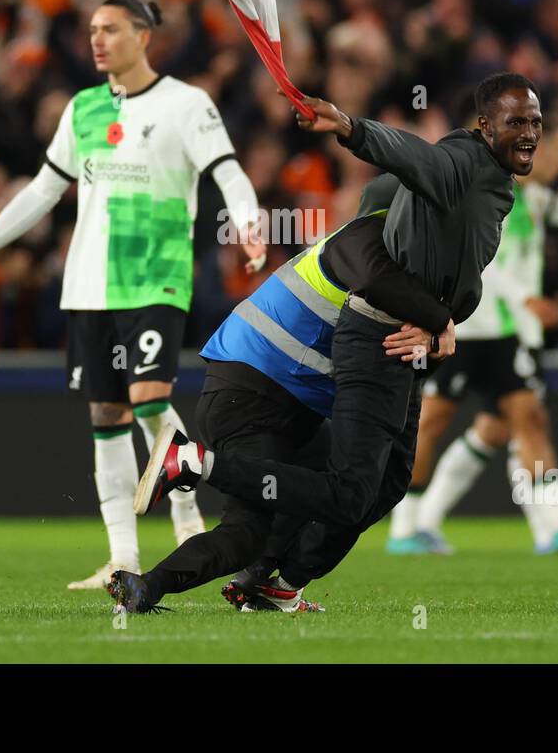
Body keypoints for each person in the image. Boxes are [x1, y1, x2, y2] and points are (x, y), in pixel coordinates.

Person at [127, 73, 540, 610]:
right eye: (517, 122)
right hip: (272, 379)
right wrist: (349, 126)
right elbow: (418, 159)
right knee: (348, 493)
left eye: (535, 122)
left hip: (313, 384)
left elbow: (466, 280)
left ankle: (251, 584)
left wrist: (443, 321)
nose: (531, 132)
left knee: (382, 486)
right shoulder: (411, 202)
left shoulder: (468, 202)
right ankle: (197, 465)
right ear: (484, 127)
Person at [0, 0, 266, 587]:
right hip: (89, 284)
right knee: (107, 413)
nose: (97, 40)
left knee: (150, 398)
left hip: (156, 274)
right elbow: (43, 191)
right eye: (92, 31)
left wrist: (249, 222)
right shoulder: (82, 109)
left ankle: (187, 523)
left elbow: (228, 172)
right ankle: (123, 557)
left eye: (111, 29)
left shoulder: (186, 104)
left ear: (145, 36)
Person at [105, 172, 454, 614]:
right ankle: (193, 463)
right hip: (258, 399)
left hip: (263, 399)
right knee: (350, 488)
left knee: (266, 524)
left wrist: (430, 339)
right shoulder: (363, 251)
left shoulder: (367, 262)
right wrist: (437, 323)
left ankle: (150, 587)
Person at [387, 127, 558, 555]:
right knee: (436, 424)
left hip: (506, 334)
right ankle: (406, 528)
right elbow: (479, 260)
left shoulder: (534, 199)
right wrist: (525, 297)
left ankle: (556, 528)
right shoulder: (493, 195)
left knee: (518, 420)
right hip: (467, 330)